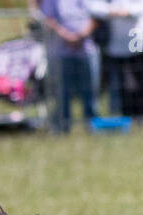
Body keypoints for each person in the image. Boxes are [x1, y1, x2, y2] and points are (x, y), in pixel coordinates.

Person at [87, 0, 143, 117]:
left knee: (141, 77)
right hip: (116, 42)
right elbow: (92, 6)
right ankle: (128, 114)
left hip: (138, 36)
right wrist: (111, 11)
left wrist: (128, 12)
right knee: (124, 81)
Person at [39, 0, 102, 132]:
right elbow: (48, 18)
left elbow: (97, 15)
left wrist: (80, 36)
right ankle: (62, 128)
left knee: (91, 92)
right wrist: (67, 36)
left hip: (87, 50)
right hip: (60, 52)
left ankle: (92, 127)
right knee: (62, 93)